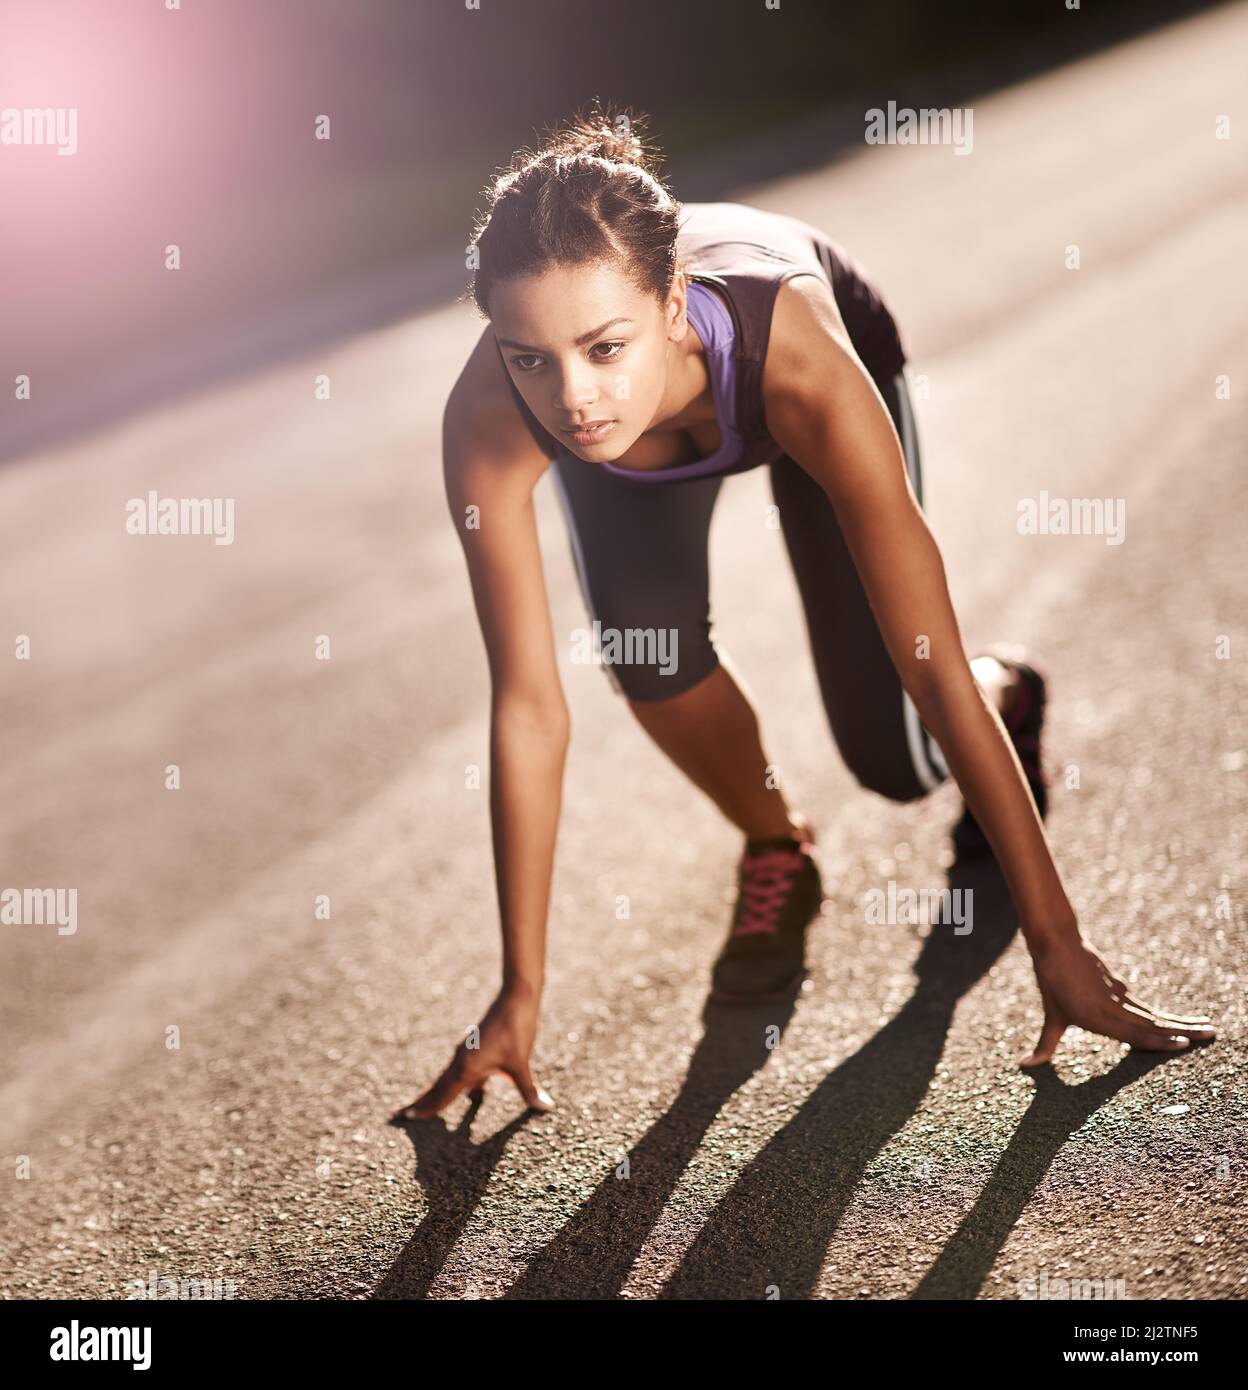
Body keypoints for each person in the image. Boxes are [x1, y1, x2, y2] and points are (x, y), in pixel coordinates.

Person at [391, 103, 1214, 1122]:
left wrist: (1059, 946)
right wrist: (520, 991)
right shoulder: (500, 417)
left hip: (801, 360)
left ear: (672, 300)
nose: (571, 398)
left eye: (604, 346)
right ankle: (778, 843)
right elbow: (526, 706)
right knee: (648, 655)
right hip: (665, 427)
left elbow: (932, 664)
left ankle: (1021, 693)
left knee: (894, 754)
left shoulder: (798, 352)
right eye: (530, 359)